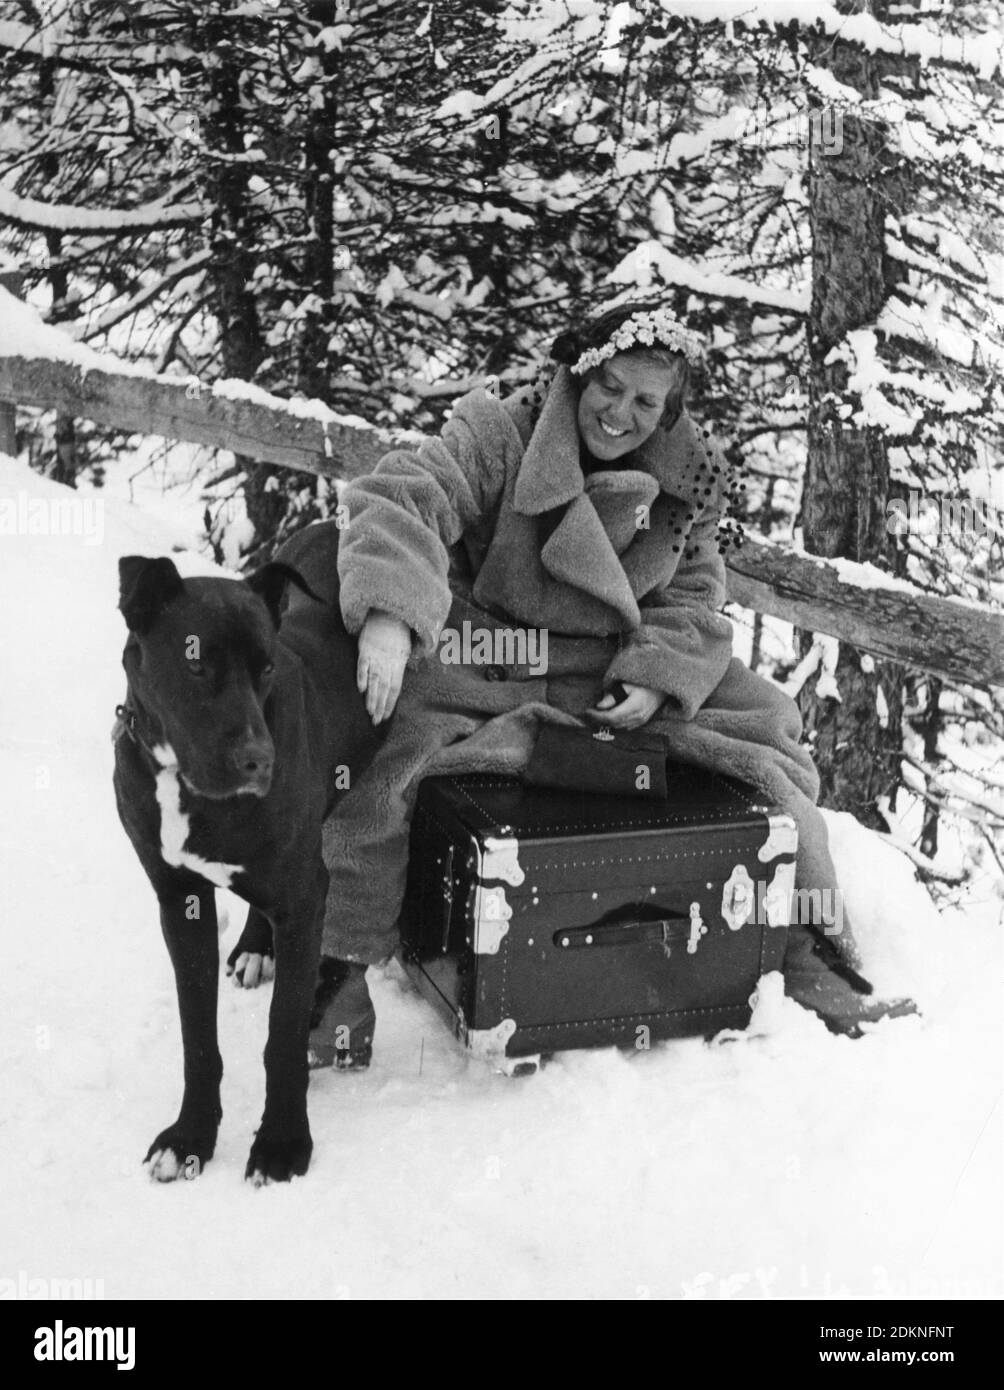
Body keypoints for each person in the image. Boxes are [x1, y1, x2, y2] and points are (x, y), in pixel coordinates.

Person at [306, 297, 915, 1067]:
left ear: (668, 411)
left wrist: (658, 677)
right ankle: (335, 976)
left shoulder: (686, 476)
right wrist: (393, 616)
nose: (620, 414)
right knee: (387, 768)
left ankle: (812, 955)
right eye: (610, 387)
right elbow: (405, 495)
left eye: (645, 401)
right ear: (579, 370)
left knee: (768, 739)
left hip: (608, 668)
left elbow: (696, 590)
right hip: (491, 655)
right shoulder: (503, 430)